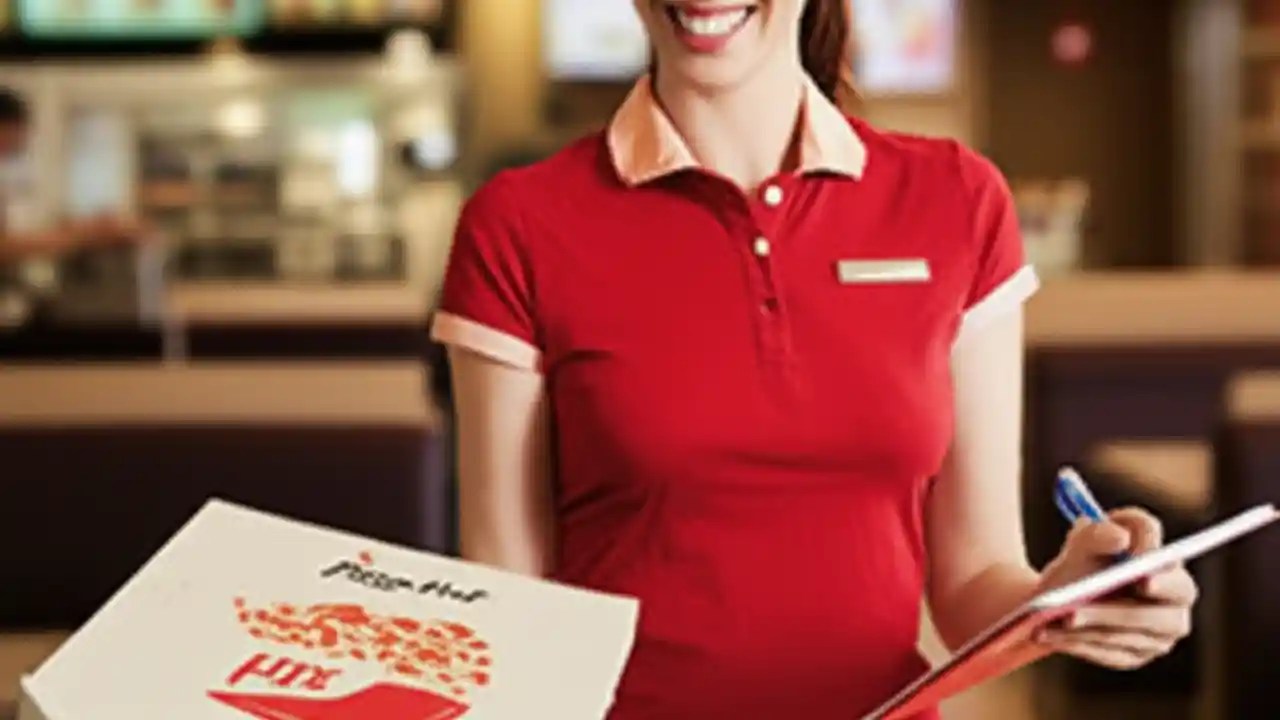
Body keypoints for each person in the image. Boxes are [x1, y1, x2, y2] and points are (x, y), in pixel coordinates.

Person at [430, 2, 1198, 718]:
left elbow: (972, 583)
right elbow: (509, 601)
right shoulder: (520, 226)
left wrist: (1068, 601)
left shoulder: (958, 202)